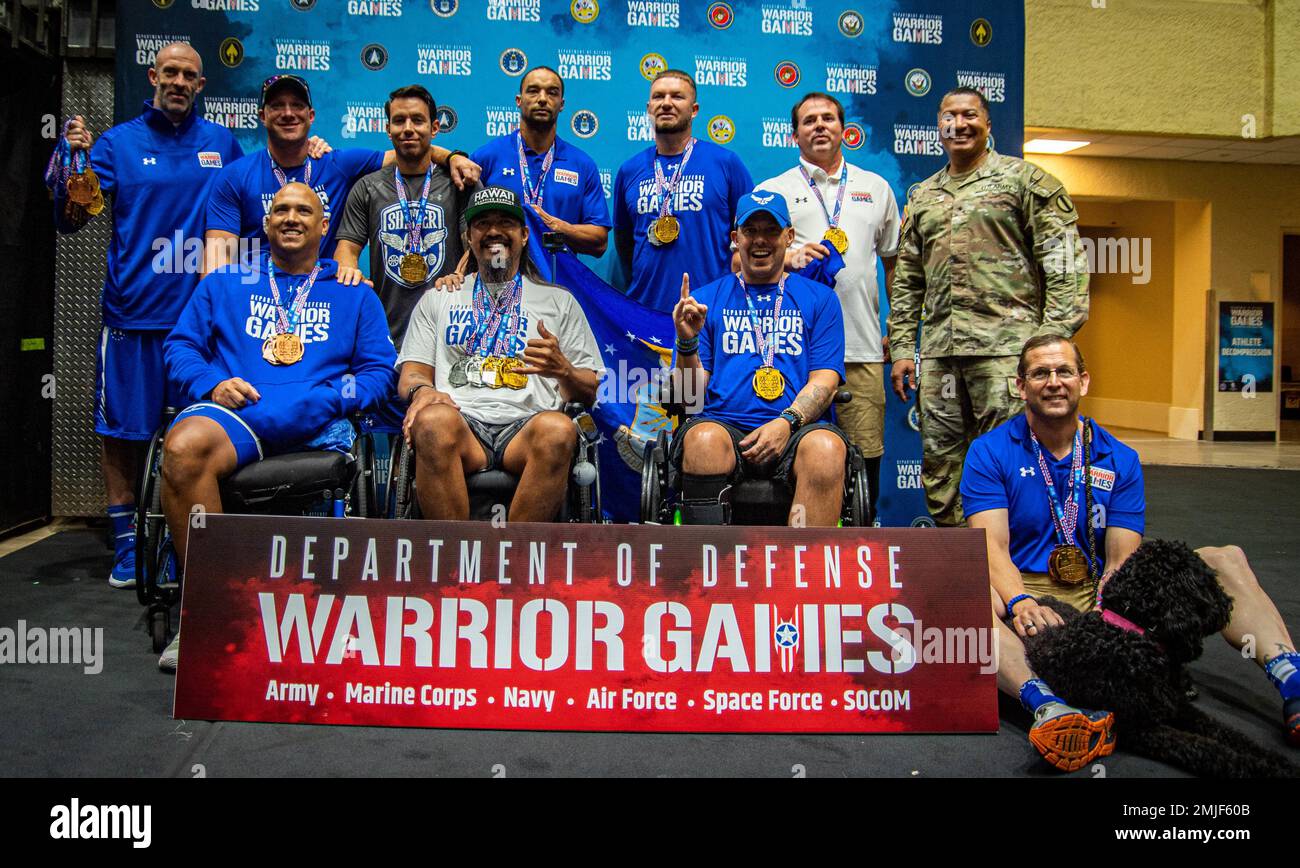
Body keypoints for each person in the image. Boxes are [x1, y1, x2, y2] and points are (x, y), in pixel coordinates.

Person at [964, 334, 1300, 750]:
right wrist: (1020, 602)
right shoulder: (990, 452)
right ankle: (1047, 705)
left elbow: (1121, 557)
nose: (1054, 382)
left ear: (1083, 382)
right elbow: (990, 547)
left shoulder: (1118, 456)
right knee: (968, 596)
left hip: (1095, 594)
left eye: (1064, 371)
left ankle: (1292, 679)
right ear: (1020, 386)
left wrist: (1114, 614)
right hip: (1021, 592)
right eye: (1040, 374)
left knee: (1224, 558)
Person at [159, 183, 396, 671]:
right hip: (237, 419)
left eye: (303, 211)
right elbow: (179, 348)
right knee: (182, 448)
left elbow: (379, 371)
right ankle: (206, 612)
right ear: (265, 223)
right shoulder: (225, 282)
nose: (291, 218)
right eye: (280, 210)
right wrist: (212, 383)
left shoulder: (354, 293)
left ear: (324, 226)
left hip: (319, 426)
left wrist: (332, 397)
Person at [51, 42, 243, 588]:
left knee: (199, 436)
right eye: (171, 72)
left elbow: (260, 196)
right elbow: (72, 218)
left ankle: (189, 539)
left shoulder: (222, 144)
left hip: (203, 324)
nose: (179, 82)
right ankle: (128, 542)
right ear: (153, 76)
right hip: (134, 317)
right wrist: (73, 166)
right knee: (125, 433)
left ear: (202, 86)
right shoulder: (116, 143)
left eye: (190, 75)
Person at [888, 86, 1089, 527]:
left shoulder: (1024, 182)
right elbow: (908, 280)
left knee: (1011, 460)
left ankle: (1011, 567)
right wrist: (903, 347)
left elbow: (1064, 263)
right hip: (941, 355)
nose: (959, 125)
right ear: (937, 126)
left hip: (1007, 355)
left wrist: (1047, 350)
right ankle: (960, 561)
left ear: (988, 123)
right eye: (949, 117)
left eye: (969, 115)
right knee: (940, 464)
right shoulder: (923, 194)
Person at [397, 186, 603, 522]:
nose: (494, 231)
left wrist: (563, 371)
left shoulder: (558, 302)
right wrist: (424, 391)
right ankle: (456, 564)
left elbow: (589, 390)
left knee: (559, 429)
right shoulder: (439, 297)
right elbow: (413, 373)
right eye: (483, 224)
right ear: (468, 237)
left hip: (528, 425)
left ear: (523, 236)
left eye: (505, 223)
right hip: (461, 422)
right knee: (432, 421)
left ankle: (515, 562)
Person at [755, 92, 900, 518]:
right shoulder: (774, 190)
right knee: (793, 454)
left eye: (828, 119)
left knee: (865, 457)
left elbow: (895, 265)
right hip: (788, 352)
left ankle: (859, 544)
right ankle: (793, 551)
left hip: (861, 346)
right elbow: (739, 260)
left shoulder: (876, 188)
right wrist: (789, 258)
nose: (819, 126)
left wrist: (896, 328)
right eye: (809, 121)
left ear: (843, 128)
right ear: (793, 133)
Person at [670, 191, 847, 527]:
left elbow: (825, 380)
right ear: (736, 239)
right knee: (702, 440)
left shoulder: (820, 300)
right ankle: (709, 571)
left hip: (796, 431)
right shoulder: (706, 300)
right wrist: (686, 342)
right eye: (750, 232)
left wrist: (786, 423)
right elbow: (686, 399)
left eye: (771, 230)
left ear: (789, 237)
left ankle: (801, 572)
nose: (760, 240)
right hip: (725, 426)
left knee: (825, 449)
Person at [203, 74, 480, 273]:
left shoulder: (338, 164)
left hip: (321, 296)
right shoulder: (234, 177)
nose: (288, 113)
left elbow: (408, 149)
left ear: (310, 115)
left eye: (297, 106)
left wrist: (452, 156)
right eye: (277, 106)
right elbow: (218, 259)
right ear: (262, 116)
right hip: (258, 295)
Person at [334, 85, 474, 349]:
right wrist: (351, 274)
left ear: (434, 128)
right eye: (399, 121)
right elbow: (346, 249)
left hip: (449, 332)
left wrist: (460, 274)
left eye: (417, 120)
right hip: (387, 334)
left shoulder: (459, 183)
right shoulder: (367, 187)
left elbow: (475, 246)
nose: (408, 128)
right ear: (388, 130)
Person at [613, 70, 752, 313]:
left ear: (694, 109)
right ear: (649, 107)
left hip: (710, 310)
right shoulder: (629, 170)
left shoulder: (726, 163)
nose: (666, 103)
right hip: (645, 310)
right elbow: (624, 244)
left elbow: (749, 232)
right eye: (658, 97)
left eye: (677, 97)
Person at [464, 66, 609, 280]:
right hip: (498, 282)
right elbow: (467, 231)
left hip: (560, 285)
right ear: (519, 100)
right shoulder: (487, 157)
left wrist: (556, 227)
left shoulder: (582, 164)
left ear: (562, 104)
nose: (542, 99)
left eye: (552, 92)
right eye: (533, 91)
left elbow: (600, 241)